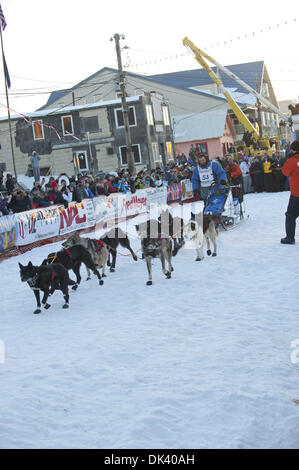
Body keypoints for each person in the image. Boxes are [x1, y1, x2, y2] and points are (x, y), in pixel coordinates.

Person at [280, 140, 299, 245]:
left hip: (296, 194)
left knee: (290, 215)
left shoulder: (292, 161)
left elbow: (285, 171)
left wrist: (288, 159)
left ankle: (290, 238)